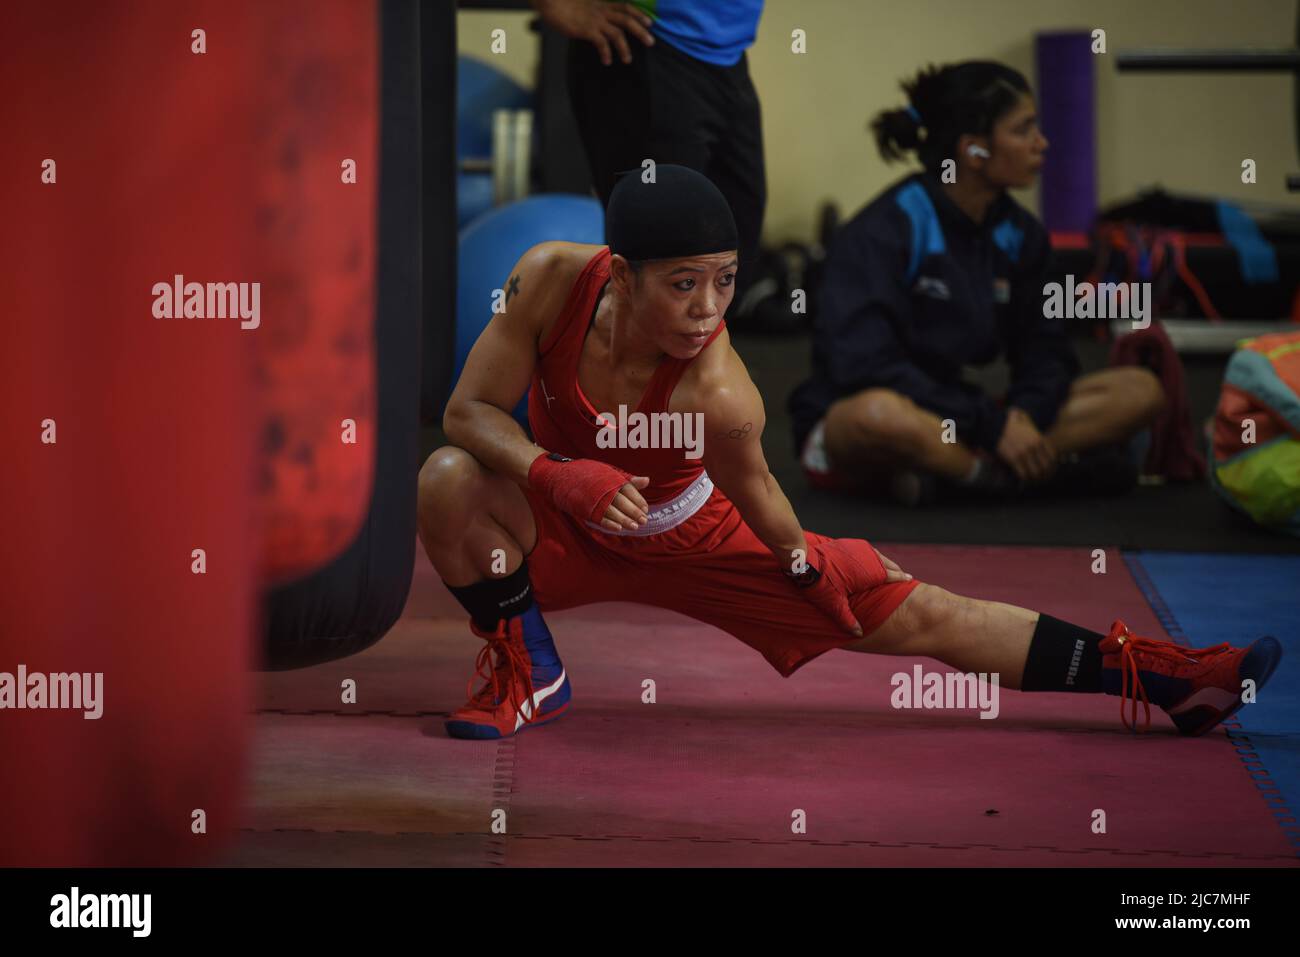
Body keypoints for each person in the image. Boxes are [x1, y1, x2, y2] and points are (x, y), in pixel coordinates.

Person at [418, 164, 1280, 741]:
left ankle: (1164, 674)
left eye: (725, 279)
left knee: (931, 615)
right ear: (621, 273)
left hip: (696, 535)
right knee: (448, 480)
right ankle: (527, 666)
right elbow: (467, 410)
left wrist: (802, 563)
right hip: (564, 525)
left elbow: (758, 494)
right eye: (684, 283)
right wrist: (556, 473)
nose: (708, 308)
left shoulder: (720, 391)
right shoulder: (550, 279)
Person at [789, 61, 1167, 505]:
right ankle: (1010, 479)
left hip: (963, 419)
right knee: (877, 414)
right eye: (1023, 130)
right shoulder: (884, 229)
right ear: (974, 151)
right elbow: (863, 365)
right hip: (878, 417)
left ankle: (958, 475)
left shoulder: (1023, 235)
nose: (1041, 143)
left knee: (1139, 391)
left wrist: (1023, 417)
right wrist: (989, 424)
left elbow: (1048, 351)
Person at [531, 0, 767, 307]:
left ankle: (694, 355)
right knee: (661, 264)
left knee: (733, 250)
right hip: (645, 41)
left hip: (727, 52)